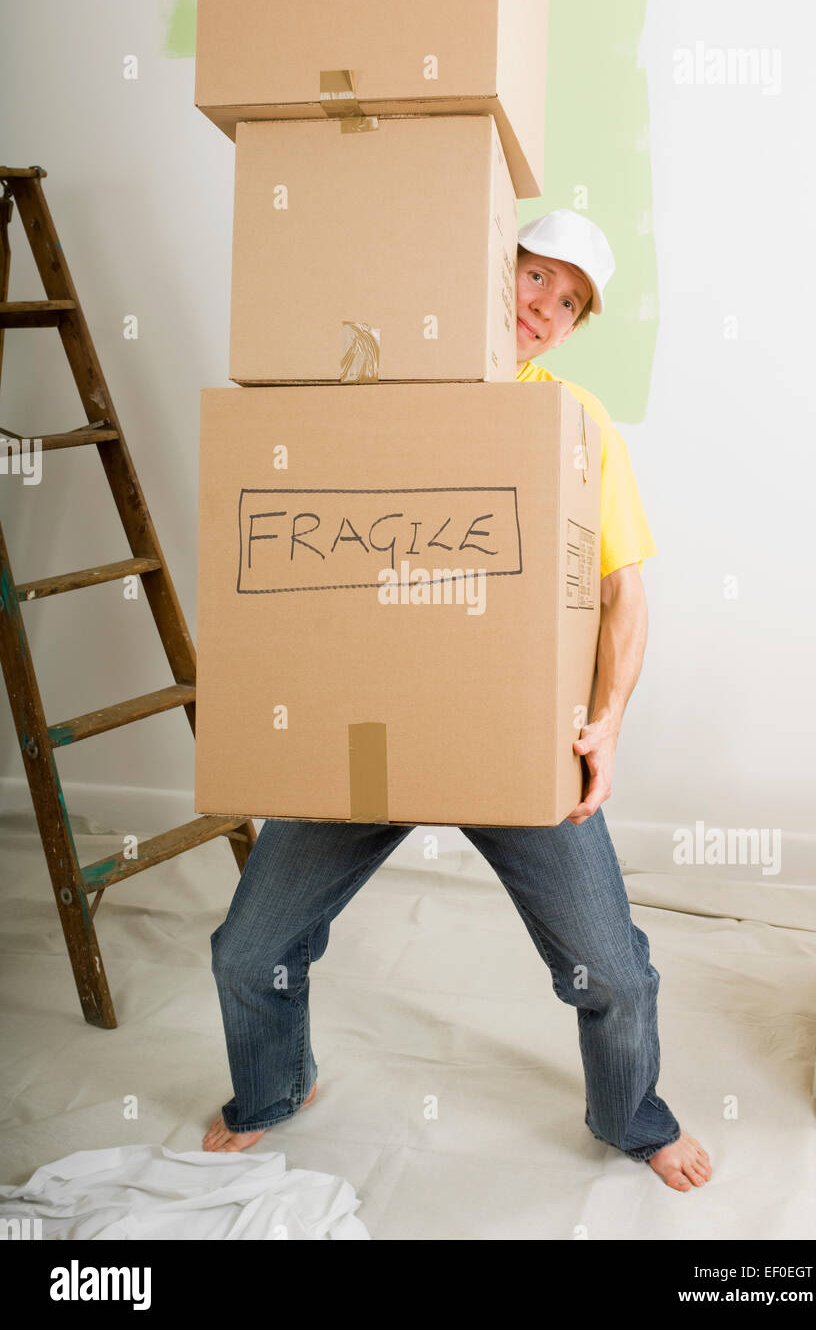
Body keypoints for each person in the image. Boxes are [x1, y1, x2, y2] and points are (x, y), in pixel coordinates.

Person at [203, 208, 712, 1194]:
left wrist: (605, 724)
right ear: (496, 265)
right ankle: (274, 1086)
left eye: (568, 303)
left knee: (611, 970)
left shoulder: (571, 424)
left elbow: (623, 592)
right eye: (535, 279)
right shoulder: (377, 383)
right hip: (368, 732)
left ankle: (629, 1116)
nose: (544, 309)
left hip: (509, 742)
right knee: (248, 947)